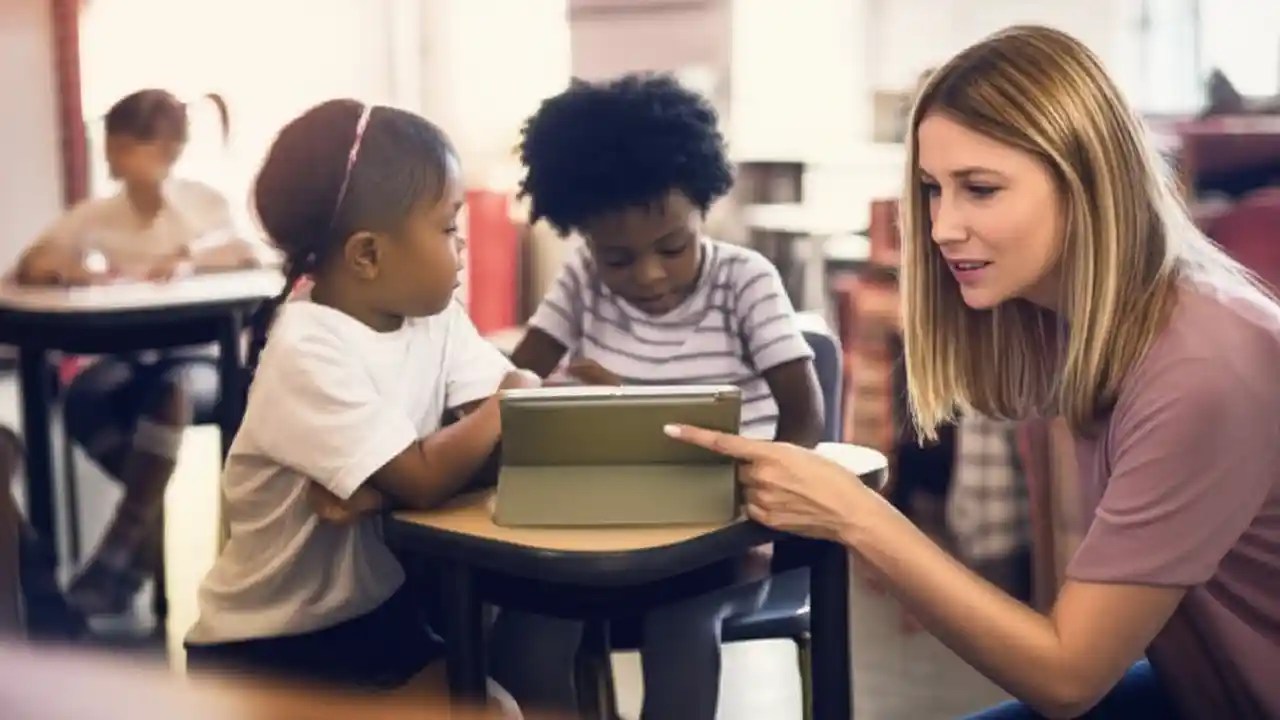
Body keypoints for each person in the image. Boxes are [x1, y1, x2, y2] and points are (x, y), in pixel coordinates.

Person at [665, 25, 1280, 720]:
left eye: (980, 189)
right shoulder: (1089, 320)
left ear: (1089, 184)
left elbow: (1068, 677)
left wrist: (856, 515)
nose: (941, 228)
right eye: (933, 189)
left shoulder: (1202, 369)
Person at [183, 100, 548, 714]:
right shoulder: (308, 347)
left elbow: (520, 445)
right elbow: (431, 474)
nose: (462, 247)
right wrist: (509, 401)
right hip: (267, 649)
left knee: (495, 709)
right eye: (446, 227)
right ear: (368, 255)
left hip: (376, 619)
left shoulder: (434, 322)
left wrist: (380, 493)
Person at [506, 73, 823, 720]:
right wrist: (562, 399)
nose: (649, 275)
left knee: (680, 629)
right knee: (528, 635)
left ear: (703, 207)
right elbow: (514, 389)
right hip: (600, 538)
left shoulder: (744, 282)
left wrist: (758, 503)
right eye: (617, 259)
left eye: (673, 247)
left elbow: (805, 413)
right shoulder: (581, 280)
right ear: (584, 237)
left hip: (720, 542)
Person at [12, 89, 261, 617]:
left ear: (167, 149)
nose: (112, 160)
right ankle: (139, 528)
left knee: (170, 396)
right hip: (129, 359)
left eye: (126, 148)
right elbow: (31, 260)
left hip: (202, 360)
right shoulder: (101, 213)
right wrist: (66, 268)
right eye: (112, 147)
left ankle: (114, 561)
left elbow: (247, 253)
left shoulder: (203, 204)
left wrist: (187, 257)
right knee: (81, 395)